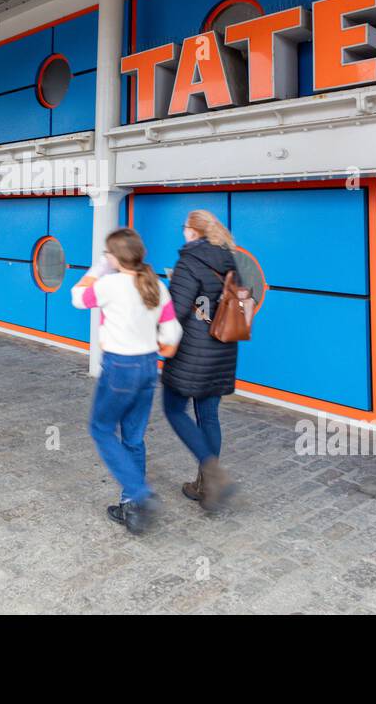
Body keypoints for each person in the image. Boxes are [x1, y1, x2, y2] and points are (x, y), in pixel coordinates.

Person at [72, 228, 182, 535]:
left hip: (120, 366)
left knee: (101, 429)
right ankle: (132, 508)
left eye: (108, 254)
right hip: (148, 366)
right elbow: (172, 336)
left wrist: (98, 269)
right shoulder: (157, 286)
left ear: (114, 256)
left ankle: (140, 492)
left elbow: (78, 298)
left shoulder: (110, 285)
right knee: (133, 437)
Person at [161, 210, 241, 511]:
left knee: (174, 409)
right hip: (222, 346)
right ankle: (206, 487)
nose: (183, 232)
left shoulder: (189, 260)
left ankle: (213, 472)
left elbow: (177, 310)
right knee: (208, 416)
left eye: (184, 228)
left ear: (193, 231)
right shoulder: (229, 258)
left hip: (193, 351)